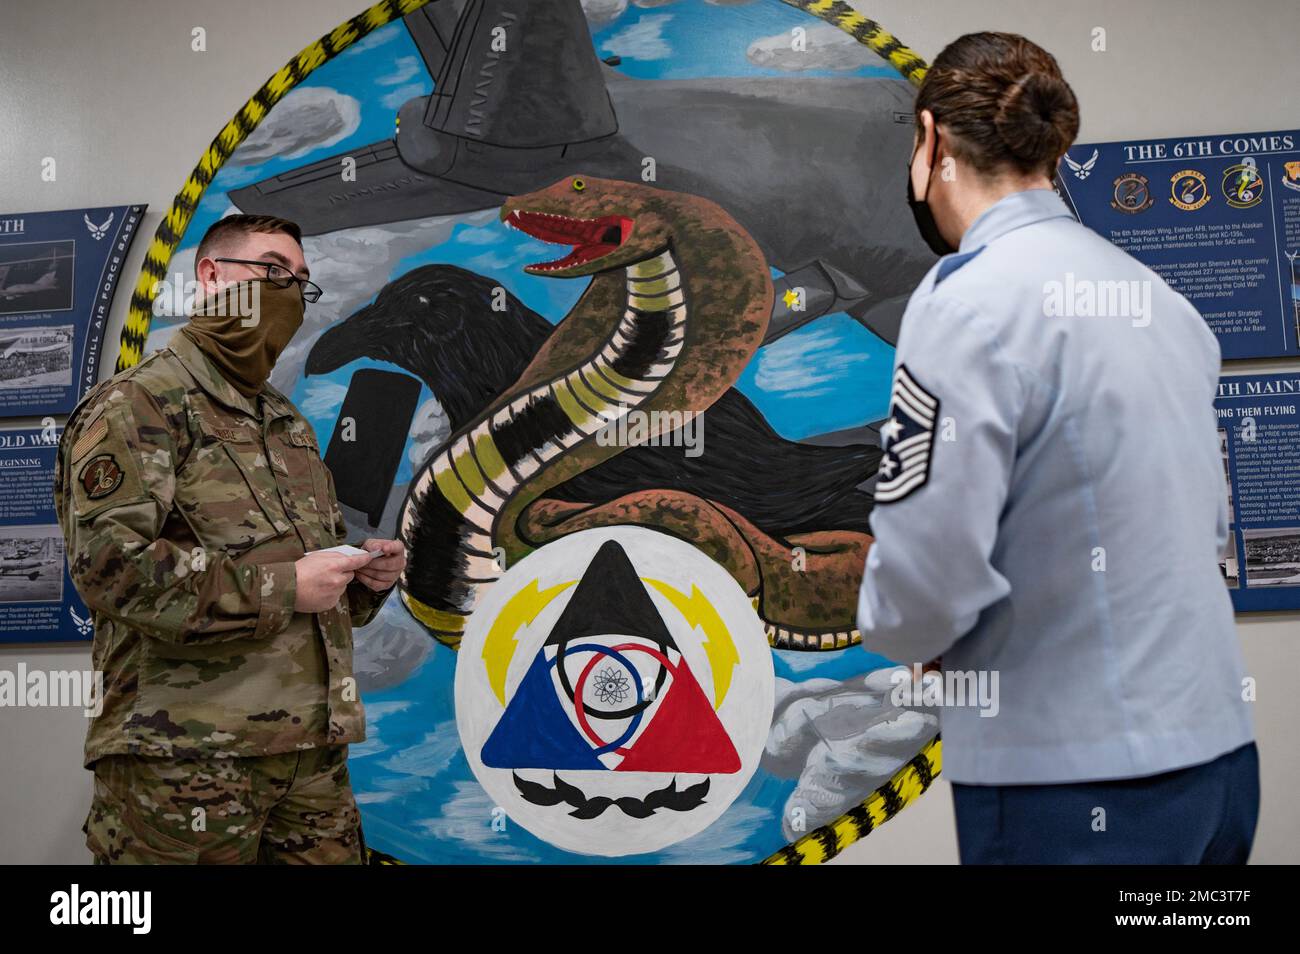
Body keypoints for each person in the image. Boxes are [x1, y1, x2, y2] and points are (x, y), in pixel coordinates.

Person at [855, 33, 1257, 864]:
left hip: (1072, 790)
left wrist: (902, 631)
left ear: (930, 142)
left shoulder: (965, 302)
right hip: (1217, 768)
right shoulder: (1157, 298)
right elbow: (1206, 528)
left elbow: (926, 576)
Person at [53, 214, 407, 864]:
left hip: (309, 755)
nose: (290, 293)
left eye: (302, 282)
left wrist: (363, 583)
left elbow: (306, 587)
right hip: (187, 756)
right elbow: (110, 570)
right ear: (213, 277)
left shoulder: (283, 421)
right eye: (273, 272)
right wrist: (285, 586)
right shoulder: (140, 405)